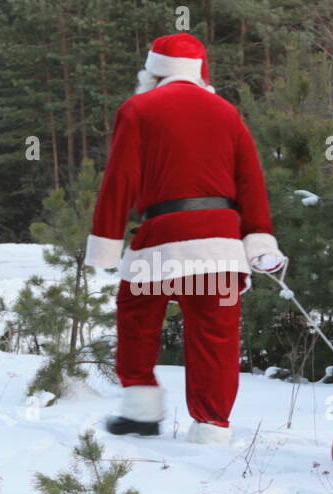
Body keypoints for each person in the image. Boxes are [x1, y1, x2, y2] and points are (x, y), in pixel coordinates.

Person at [85, 33, 285, 445]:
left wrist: (105, 241)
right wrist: (259, 239)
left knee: (137, 319)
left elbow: (118, 182)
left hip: (162, 240)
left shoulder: (138, 109)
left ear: (153, 72)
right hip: (221, 249)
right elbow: (251, 182)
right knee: (216, 337)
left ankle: (141, 413)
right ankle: (212, 427)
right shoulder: (227, 112)